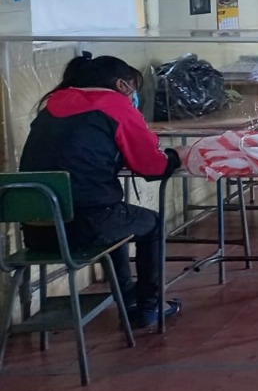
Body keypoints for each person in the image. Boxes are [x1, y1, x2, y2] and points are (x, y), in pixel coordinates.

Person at [19, 54, 183, 328]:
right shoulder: (114, 106)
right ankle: (150, 306)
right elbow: (152, 167)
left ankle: (127, 297)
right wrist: (176, 155)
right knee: (148, 223)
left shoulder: (52, 105)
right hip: (86, 227)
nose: (134, 95)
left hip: (38, 233)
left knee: (117, 219)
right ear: (121, 85)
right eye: (133, 87)